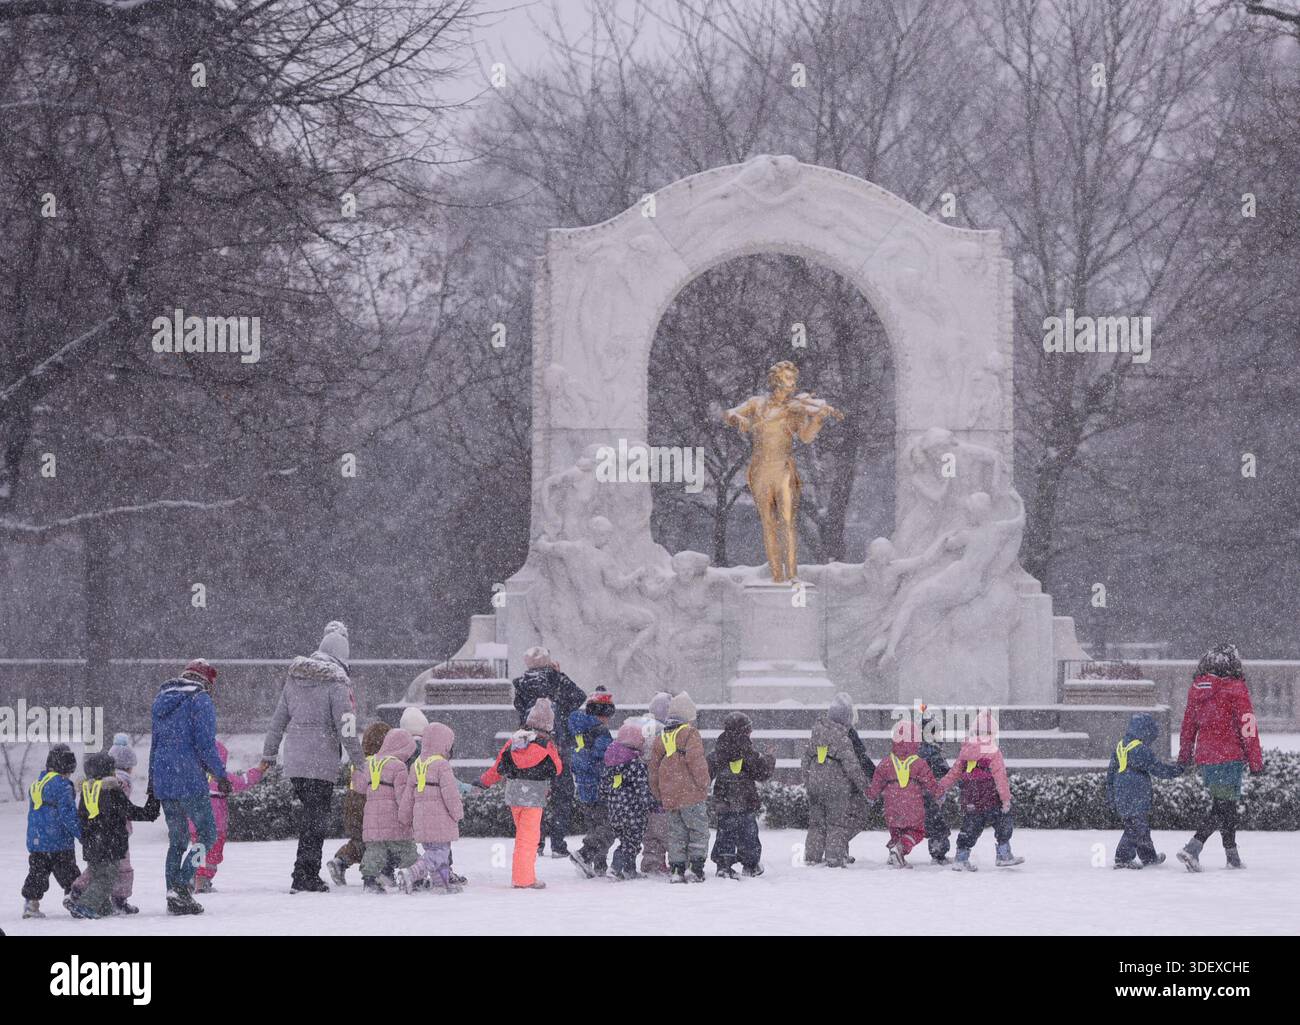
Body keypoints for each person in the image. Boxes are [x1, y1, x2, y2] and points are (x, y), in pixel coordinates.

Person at [260, 621, 365, 893]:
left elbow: (278, 720)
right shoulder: (337, 682)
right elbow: (347, 727)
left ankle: (304, 873)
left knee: (311, 817)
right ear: (343, 657)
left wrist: (269, 753)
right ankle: (304, 875)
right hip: (320, 760)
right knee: (316, 821)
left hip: (294, 760)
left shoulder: (295, 678)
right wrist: (360, 761)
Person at [150, 658, 230, 915]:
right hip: (189, 780)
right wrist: (221, 774)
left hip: (164, 780)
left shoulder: (161, 700)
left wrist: (152, 785)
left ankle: (173, 894)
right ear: (205, 682)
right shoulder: (200, 700)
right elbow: (205, 744)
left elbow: (155, 746)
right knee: (207, 835)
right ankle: (183, 887)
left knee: (177, 841)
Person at [1175, 644, 1264, 872]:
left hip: (1206, 758)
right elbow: (1248, 726)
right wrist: (1255, 761)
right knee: (1222, 806)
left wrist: (1184, 757)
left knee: (1226, 806)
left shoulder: (1197, 690)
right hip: (1230, 757)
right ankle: (1193, 848)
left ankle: (1232, 857)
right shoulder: (1236, 689)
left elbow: (1188, 726)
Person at [480, 698, 564, 889]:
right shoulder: (547, 745)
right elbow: (557, 768)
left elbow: (498, 766)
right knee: (529, 838)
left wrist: (485, 782)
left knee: (522, 836)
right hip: (534, 797)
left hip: (514, 795)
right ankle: (524, 878)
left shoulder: (515, 740)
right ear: (548, 725)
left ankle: (525, 874)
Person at [511, 646, 586, 857]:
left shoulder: (522, 684)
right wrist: (558, 674)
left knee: (536, 794)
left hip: (532, 745)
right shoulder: (556, 680)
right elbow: (579, 697)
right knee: (562, 794)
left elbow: (520, 711)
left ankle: (537, 842)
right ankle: (557, 843)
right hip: (557, 744)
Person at [69, 752, 161, 919]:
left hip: (92, 844)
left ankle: (102, 907)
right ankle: (85, 905)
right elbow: (132, 812)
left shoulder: (87, 792)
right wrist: (152, 803)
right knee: (107, 877)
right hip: (109, 845)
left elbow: (82, 818)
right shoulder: (112, 791)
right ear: (109, 771)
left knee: (97, 873)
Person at [937, 709, 1023, 870]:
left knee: (970, 827)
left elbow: (954, 773)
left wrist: (940, 788)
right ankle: (1004, 854)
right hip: (991, 797)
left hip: (970, 798)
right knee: (1003, 822)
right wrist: (1005, 799)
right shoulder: (993, 751)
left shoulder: (966, 750)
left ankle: (961, 857)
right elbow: (1000, 777)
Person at [648, 691, 711, 883]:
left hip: (670, 797)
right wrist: (704, 784)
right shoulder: (690, 734)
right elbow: (696, 762)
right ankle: (695, 867)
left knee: (676, 834)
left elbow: (653, 769)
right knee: (698, 831)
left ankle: (677, 869)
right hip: (691, 794)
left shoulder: (661, 737)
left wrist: (658, 793)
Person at [802, 693, 871, 868]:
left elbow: (805, 760)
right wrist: (865, 787)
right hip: (836, 788)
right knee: (836, 823)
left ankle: (812, 856)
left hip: (816, 785)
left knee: (816, 824)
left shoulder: (816, 734)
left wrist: (808, 780)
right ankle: (834, 858)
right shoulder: (842, 738)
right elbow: (852, 767)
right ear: (846, 718)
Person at [396, 722, 466, 895]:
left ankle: (441, 884)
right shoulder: (442, 765)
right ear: (444, 744)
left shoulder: (417, 765)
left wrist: (404, 816)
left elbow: (408, 795)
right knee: (439, 853)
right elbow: (450, 794)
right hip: (439, 818)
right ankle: (411, 873)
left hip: (421, 818)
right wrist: (457, 813)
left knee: (436, 852)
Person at [1107, 713, 1183, 869]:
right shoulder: (1139, 749)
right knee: (1136, 827)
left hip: (1122, 790)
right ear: (1145, 731)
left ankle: (1149, 857)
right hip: (1135, 792)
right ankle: (1122, 858)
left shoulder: (1121, 745)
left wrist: (1111, 793)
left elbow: (1111, 772)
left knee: (1139, 825)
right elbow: (1158, 768)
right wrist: (1178, 770)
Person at [706, 711, 773, 878]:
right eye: (749, 729)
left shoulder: (718, 751)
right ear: (744, 731)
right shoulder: (748, 752)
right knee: (748, 834)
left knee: (725, 832)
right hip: (745, 800)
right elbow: (762, 772)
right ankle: (750, 864)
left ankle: (723, 864)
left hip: (724, 800)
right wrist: (770, 758)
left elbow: (706, 772)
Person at [866, 720, 941, 868]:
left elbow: (875, 785)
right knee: (917, 831)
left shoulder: (886, 762)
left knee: (896, 831)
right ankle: (900, 849)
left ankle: (894, 853)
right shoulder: (919, 763)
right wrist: (939, 793)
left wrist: (870, 795)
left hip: (892, 807)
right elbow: (931, 784)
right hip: (913, 806)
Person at [192, 739, 263, 892]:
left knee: (198, 850)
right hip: (215, 824)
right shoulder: (222, 778)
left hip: (195, 823)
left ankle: (194, 877)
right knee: (212, 853)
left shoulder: (193, 776)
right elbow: (243, 782)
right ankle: (203, 880)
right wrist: (258, 771)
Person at [327, 720, 391, 886]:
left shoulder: (359, 762)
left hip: (351, 806)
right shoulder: (379, 764)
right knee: (376, 844)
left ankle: (341, 860)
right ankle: (378, 873)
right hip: (368, 808)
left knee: (358, 842)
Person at [21, 744, 81, 919]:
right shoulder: (63, 785)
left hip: (38, 841)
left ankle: (31, 904)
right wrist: (82, 835)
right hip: (59, 841)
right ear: (67, 767)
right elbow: (68, 815)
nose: (69, 775)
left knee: (37, 874)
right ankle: (74, 900)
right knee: (70, 875)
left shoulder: (37, 784)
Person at [358, 727, 419, 893]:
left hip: (371, 817)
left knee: (375, 850)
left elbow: (360, 787)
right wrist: (409, 816)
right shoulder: (398, 766)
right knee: (406, 848)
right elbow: (402, 796)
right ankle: (416, 877)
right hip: (393, 819)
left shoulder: (369, 762)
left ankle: (369, 880)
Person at [568, 687, 616, 877]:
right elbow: (605, 758)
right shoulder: (600, 731)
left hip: (583, 786)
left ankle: (599, 865)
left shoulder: (578, 728)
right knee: (610, 825)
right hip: (599, 785)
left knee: (595, 825)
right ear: (603, 713)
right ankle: (585, 854)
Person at [600, 722, 653, 880]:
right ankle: (616, 868)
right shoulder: (635, 764)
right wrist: (648, 803)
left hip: (615, 810)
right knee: (631, 842)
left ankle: (629, 870)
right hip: (633, 811)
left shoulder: (610, 764)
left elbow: (603, 787)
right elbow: (641, 787)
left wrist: (610, 800)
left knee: (625, 840)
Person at [631, 691, 672, 875]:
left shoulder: (642, 729)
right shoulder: (664, 733)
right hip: (660, 790)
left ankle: (651, 862)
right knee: (664, 831)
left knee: (650, 833)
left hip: (643, 790)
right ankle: (664, 862)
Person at [918, 709, 951, 864]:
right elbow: (943, 771)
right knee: (938, 826)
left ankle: (897, 849)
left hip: (916, 795)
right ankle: (938, 854)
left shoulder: (917, 750)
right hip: (930, 795)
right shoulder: (933, 752)